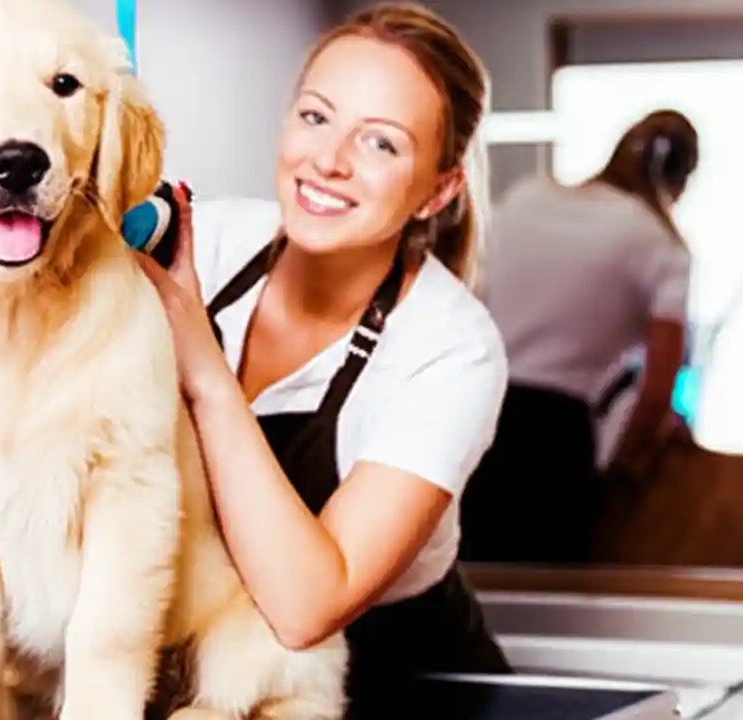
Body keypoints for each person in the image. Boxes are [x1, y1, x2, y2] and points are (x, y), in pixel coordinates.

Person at [127, 3, 513, 715]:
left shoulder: (451, 349)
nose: (328, 160)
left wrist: (204, 369)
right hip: (211, 673)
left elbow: (309, 605)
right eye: (315, 117)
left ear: (439, 189)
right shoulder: (199, 241)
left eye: (381, 144)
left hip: (400, 685)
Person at [460, 110, 698, 564]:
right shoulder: (661, 242)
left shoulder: (527, 198)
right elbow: (658, 389)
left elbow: (468, 298)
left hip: (479, 415)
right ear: (681, 182)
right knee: (549, 597)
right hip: (557, 434)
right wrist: (625, 471)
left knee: (477, 580)